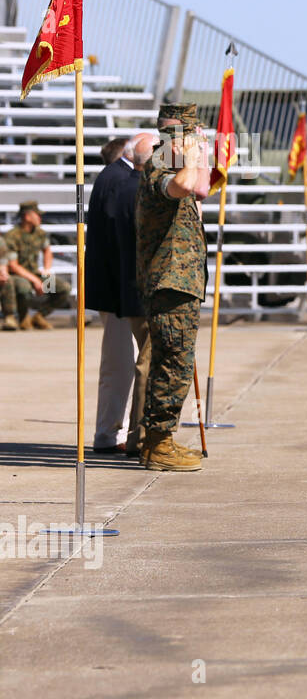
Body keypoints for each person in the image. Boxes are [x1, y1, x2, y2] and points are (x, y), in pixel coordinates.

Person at [136, 103, 210, 472]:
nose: (199, 144)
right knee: (172, 365)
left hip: (180, 283)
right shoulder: (160, 167)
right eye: (193, 137)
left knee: (175, 363)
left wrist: (197, 156)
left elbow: (202, 188)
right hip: (170, 282)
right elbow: (183, 186)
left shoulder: (174, 163)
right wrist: (191, 156)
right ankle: (158, 444)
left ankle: (158, 441)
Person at [87, 135, 153, 455]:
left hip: (117, 288)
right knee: (120, 365)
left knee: (122, 364)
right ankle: (110, 432)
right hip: (119, 290)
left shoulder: (113, 178)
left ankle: (112, 430)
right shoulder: (118, 179)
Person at [3, 201, 72, 329]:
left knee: (63, 288)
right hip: (17, 276)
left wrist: (46, 269)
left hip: (35, 273)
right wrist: (35, 280)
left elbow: (47, 251)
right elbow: (13, 265)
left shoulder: (39, 233)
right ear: (27, 216)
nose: (40, 218)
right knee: (24, 288)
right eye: (37, 215)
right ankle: (24, 318)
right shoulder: (12, 236)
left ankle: (40, 315)